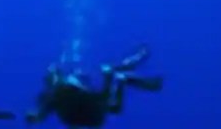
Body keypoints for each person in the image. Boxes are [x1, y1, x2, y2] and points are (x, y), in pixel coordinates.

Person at [24, 45, 163, 127]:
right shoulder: (56, 94)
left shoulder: (61, 89)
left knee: (114, 75)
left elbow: (40, 115)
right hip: (90, 116)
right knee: (114, 74)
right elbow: (106, 101)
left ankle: (137, 65)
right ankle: (136, 66)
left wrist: (34, 117)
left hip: (89, 115)